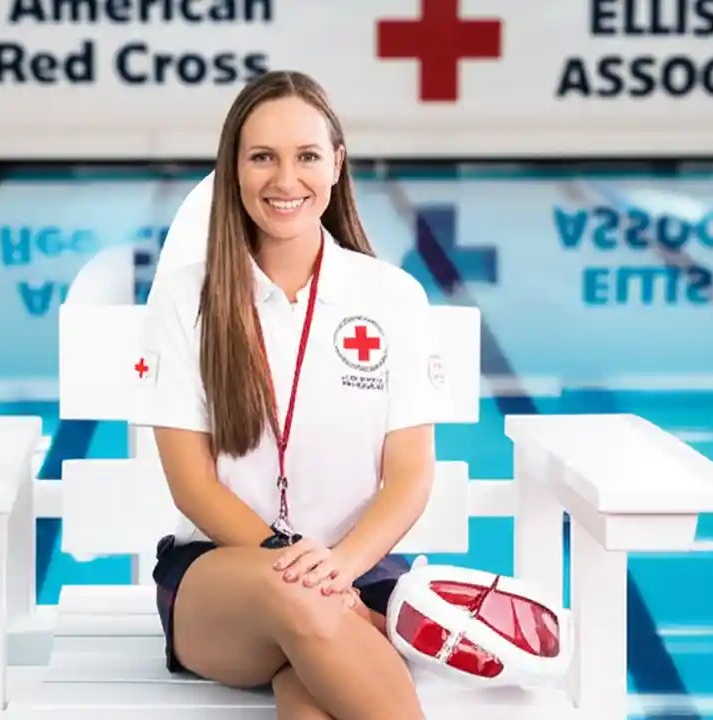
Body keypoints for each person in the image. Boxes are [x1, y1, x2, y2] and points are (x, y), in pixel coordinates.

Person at [132, 69, 450, 720]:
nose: (285, 180)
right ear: (234, 169)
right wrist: (303, 568)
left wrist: (340, 567)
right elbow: (193, 488)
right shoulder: (186, 298)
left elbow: (410, 477)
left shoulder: (392, 298)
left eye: (306, 156)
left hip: (359, 573)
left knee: (310, 703)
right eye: (262, 158)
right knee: (295, 596)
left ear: (336, 165)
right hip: (222, 583)